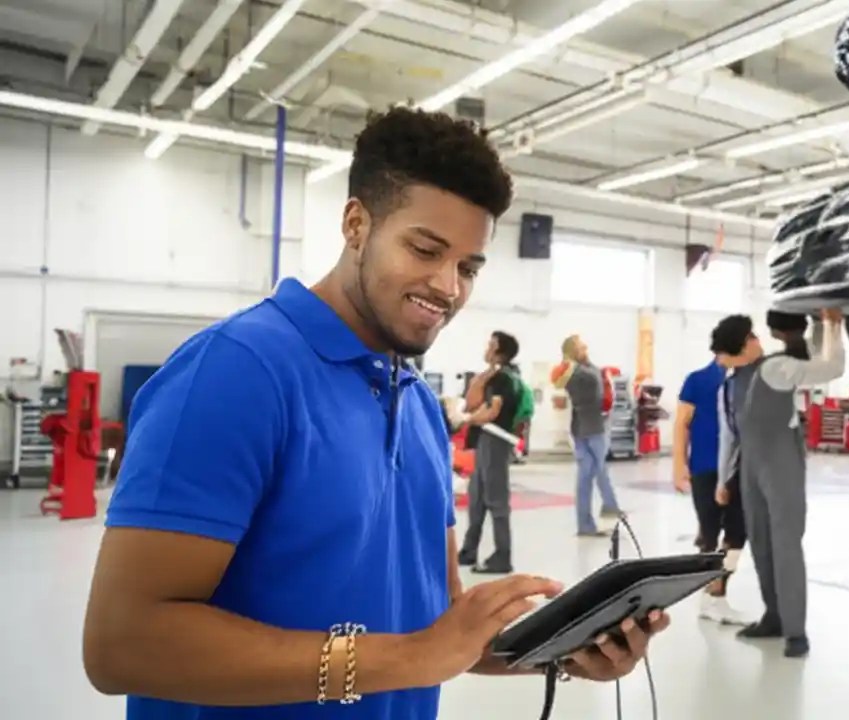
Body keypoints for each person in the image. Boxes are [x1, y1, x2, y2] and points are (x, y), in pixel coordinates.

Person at [81, 107, 668, 720]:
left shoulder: (414, 403)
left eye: (468, 267)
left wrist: (559, 648)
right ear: (356, 224)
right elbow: (123, 644)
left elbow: (433, 627)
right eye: (424, 249)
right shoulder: (236, 372)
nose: (448, 285)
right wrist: (413, 657)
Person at [712, 309, 845, 659]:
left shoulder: (774, 368)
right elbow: (731, 433)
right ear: (742, 347)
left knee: (785, 545)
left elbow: (831, 368)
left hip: (781, 465)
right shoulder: (733, 381)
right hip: (751, 468)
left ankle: (796, 632)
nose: (759, 340)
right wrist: (725, 477)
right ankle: (773, 616)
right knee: (761, 544)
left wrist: (832, 325)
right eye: (752, 337)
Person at [672, 347, 748, 626]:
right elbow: (681, 424)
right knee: (709, 533)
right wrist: (678, 466)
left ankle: (717, 594)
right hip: (705, 467)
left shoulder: (747, 382)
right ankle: (709, 597)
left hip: (739, 469)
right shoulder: (698, 379)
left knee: (739, 532)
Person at [457, 331, 521, 574]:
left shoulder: (503, 378)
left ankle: (502, 556)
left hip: (496, 440)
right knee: (477, 498)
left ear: (500, 351)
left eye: (491, 345)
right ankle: (469, 550)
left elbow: (492, 411)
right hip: (485, 440)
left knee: (496, 500)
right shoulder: (493, 375)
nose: (487, 348)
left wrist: (465, 420)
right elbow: (477, 403)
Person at [553, 334, 622, 537]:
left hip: (580, 428)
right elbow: (597, 387)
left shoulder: (572, 372)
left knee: (586, 476)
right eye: (582, 348)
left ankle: (587, 523)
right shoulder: (581, 373)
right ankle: (610, 508)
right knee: (600, 470)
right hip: (594, 427)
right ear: (574, 352)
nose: (586, 351)